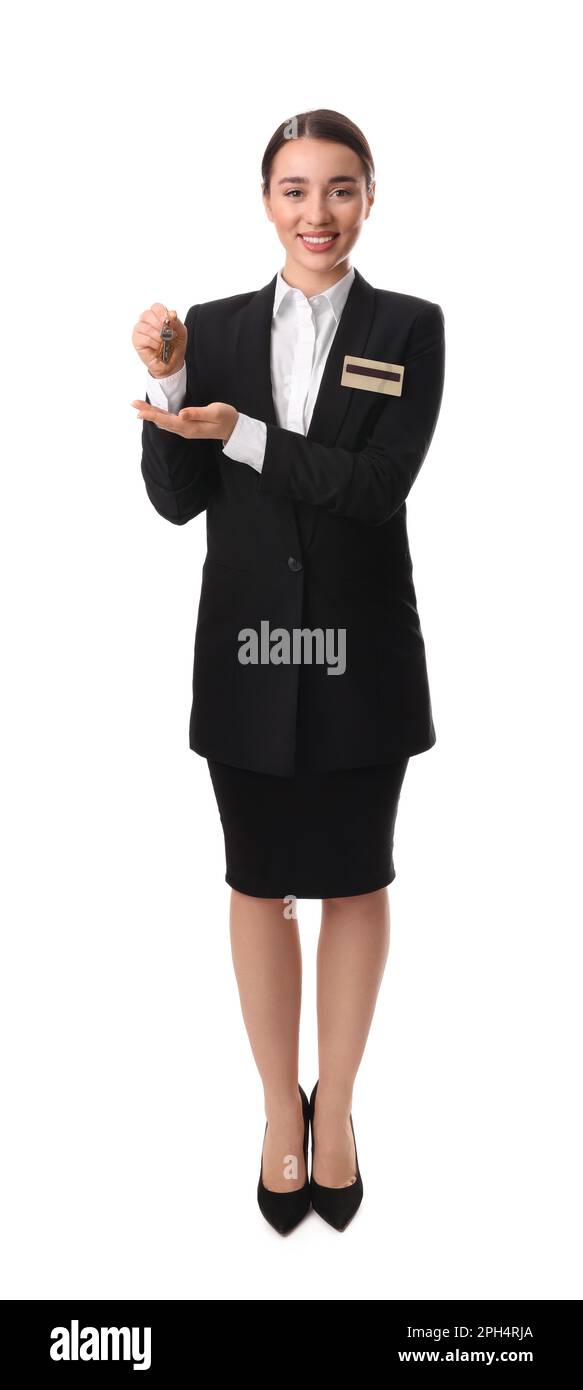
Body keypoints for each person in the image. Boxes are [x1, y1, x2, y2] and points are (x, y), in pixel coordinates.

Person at [130, 108, 445, 1235]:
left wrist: (244, 433)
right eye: (297, 189)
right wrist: (169, 395)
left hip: (361, 656)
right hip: (250, 661)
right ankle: (278, 1110)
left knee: (357, 878)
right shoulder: (207, 330)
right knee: (258, 883)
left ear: (369, 199)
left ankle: (341, 1110)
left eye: (341, 189)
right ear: (266, 200)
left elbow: (373, 490)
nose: (319, 213)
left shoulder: (411, 326)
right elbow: (176, 503)